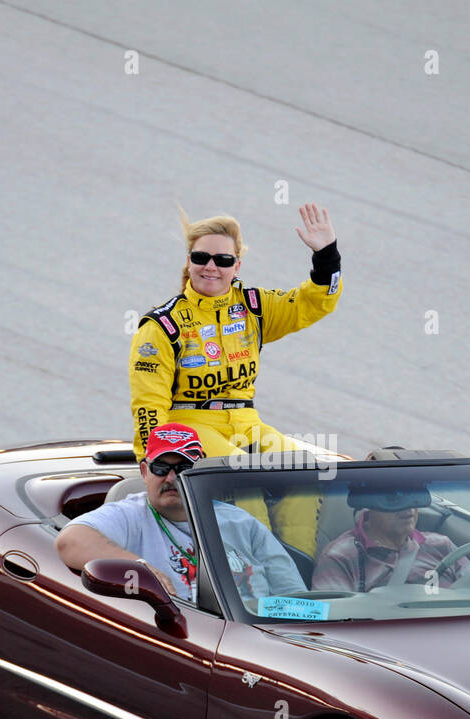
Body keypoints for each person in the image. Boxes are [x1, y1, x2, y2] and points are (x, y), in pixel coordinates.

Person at [128, 203, 342, 554]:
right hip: (190, 424)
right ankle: (252, 581)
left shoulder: (253, 307)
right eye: (201, 257)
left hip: (246, 421)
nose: (211, 266)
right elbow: (148, 406)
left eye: (223, 260)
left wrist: (326, 254)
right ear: (189, 262)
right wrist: (152, 463)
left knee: (305, 473)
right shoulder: (161, 327)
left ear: (236, 266)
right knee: (243, 483)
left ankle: (294, 574)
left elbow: (314, 302)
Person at [56, 423, 304, 601]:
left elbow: (297, 600)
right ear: (144, 472)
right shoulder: (130, 515)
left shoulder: (240, 522)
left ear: (200, 471)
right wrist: (142, 568)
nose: (172, 478)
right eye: (161, 467)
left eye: (184, 467)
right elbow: (70, 542)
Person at [312, 487, 470, 592]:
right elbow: (335, 625)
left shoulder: (442, 546)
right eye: (394, 496)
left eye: (413, 494)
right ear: (369, 502)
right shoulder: (340, 558)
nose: (409, 507)